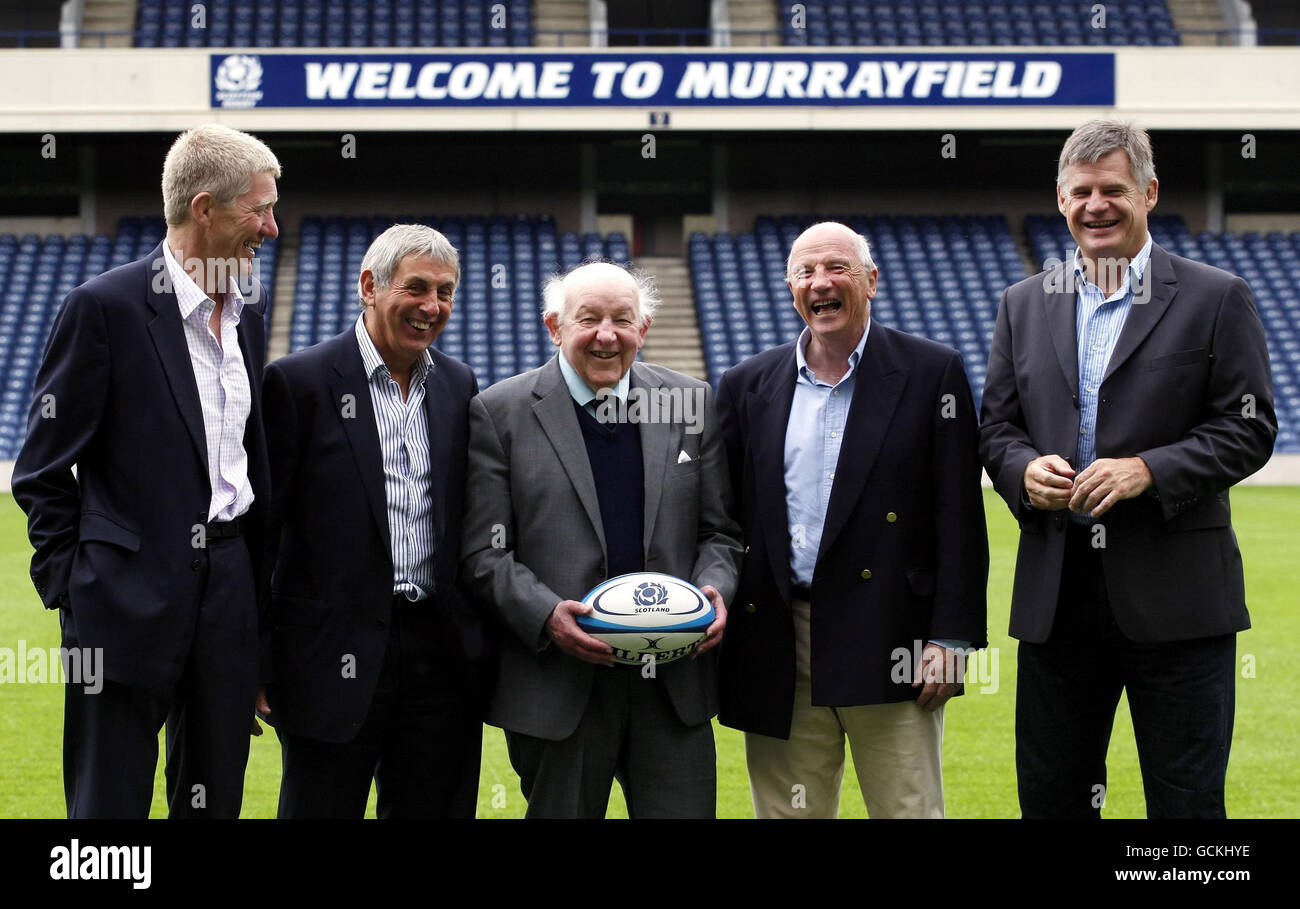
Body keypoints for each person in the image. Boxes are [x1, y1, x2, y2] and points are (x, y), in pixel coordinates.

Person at [979, 119, 1277, 818]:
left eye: (1113, 189)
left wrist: (1150, 468)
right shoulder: (1024, 303)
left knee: (1186, 806)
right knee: (1052, 800)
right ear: (1060, 198)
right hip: (1058, 603)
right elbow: (997, 428)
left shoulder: (1214, 295)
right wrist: (1023, 471)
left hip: (1178, 602)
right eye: (1081, 191)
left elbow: (1251, 425)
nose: (1096, 205)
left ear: (1149, 191)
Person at [12, 123, 280, 817]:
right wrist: (76, 591)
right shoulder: (103, 308)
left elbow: (245, 465)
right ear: (203, 208)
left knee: (214, 797)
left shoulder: (247, 315)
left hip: (227, 596)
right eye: (259, 210)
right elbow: (41, 469)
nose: (271, 227)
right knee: (108, 808)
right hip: (119, 604)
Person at [715, 220, 988, 818]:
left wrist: (951, 638)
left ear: (871, 281)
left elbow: (960, 517)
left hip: (893, 638)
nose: (821, 283)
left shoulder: (931, 372)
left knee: (907, 811)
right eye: (805, 272)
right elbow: (725, 521)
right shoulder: (745, 385)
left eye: (837, 268)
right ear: (791, 288)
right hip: (778, 643)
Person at [460, 260, 742, 818]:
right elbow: (484, 552)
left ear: (644, 329)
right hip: (558, 684)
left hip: (672, 681)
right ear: (554, 326)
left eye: (622, 319)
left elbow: (720, 533)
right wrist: (547, 617)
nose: (606, 335)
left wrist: (714, 590)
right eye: (588, 319)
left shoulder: (689, 402)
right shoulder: (500, 412)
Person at [258, 224, 491, 818]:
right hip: (330, 655)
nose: (431, 307)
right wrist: (255, 661)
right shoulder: (298, 382)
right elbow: (261, 534)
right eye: (416, 288)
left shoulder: (459, 385)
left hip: (439, 654)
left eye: (445, 292)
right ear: (370, 285)